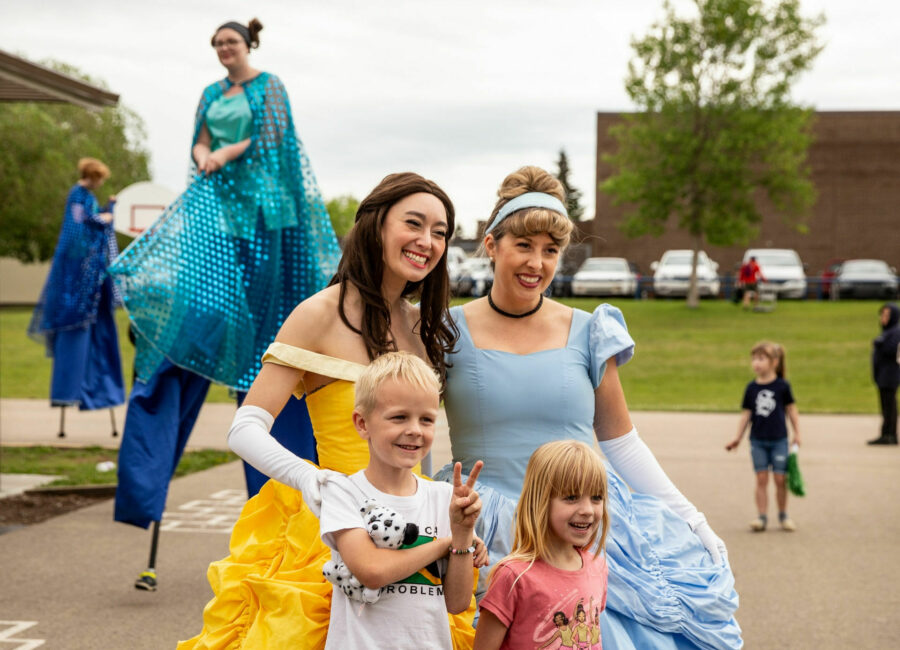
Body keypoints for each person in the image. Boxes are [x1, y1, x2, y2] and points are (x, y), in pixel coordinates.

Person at [435, 166, 741, 648]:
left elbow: (621, 443)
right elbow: (404, 421)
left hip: (583, 521)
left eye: (550, 250)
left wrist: (691, 517)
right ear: (491, 245)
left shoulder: (589, 330)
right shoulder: (444, 331)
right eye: (524, 245)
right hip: (485, 526)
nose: (537, 262)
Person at [178, 172, 475, 649]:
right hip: (335, 530)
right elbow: (245, 427)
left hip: (418, 531)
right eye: (414, 224)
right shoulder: (318, 313)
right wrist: (310, 479)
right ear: (376, 226)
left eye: (440, 232)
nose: (427, 241)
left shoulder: (424, 326)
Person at [108, 17, 341, 590]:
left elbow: (269, 141)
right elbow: (199, 139)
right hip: (221, 216)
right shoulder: (211, 93)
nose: (223, 51)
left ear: (247, 46)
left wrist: (228, 154)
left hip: (266, 215)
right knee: (202, 322)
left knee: (269, 345)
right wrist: (204, 153)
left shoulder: (270, 86)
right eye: (216, 44)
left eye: (230, 42)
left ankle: (289, 531)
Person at [320, 352, 483, 649]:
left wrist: (462, 535)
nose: (415, 430)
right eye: (399, 417)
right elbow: (372, 571)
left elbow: (457, 603)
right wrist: (446, 544)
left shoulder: (443, 497)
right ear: (362, 423)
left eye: (427, 419)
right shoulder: (343, 491)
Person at [474, 440, 609, 650]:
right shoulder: (513, 576)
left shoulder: (598, 568)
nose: (588, 510)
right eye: (572, 497)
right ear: (541, 501)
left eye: (596, 498)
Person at [28, 157, 124, 434]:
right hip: (76, 280)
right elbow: (81, 225)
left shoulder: (87, 197)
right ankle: (68, 393)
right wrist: (104, 216)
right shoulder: (78, 195)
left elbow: (93, 223)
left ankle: (101, 393)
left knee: (100, 338)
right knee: (75, 338)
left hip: (93, 281)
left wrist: (109, 209)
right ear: (92, 177)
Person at [726, 341, 801, 532]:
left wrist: (797, 433)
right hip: (757, 440)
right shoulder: (751, 388)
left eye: (761, 358)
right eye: (754, 359)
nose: (756, 363)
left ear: (774, 362)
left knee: (779, 479)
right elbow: (746, 415)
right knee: (761, 479)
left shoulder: (782, 386)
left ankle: (783, 515)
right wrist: (737, 437)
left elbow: (791, 410)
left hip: (779, 440)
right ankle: (761, 516)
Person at [867, 303, 900, 445]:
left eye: (886, 315)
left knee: (889, 405)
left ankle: (890, 434)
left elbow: (891, 349)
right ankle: (886, 432)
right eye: (882, 315)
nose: (883, 318)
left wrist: (879, 343)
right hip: (883, 374)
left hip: (890, 374)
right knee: (885, 405)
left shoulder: (896, 331)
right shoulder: (887, 332)